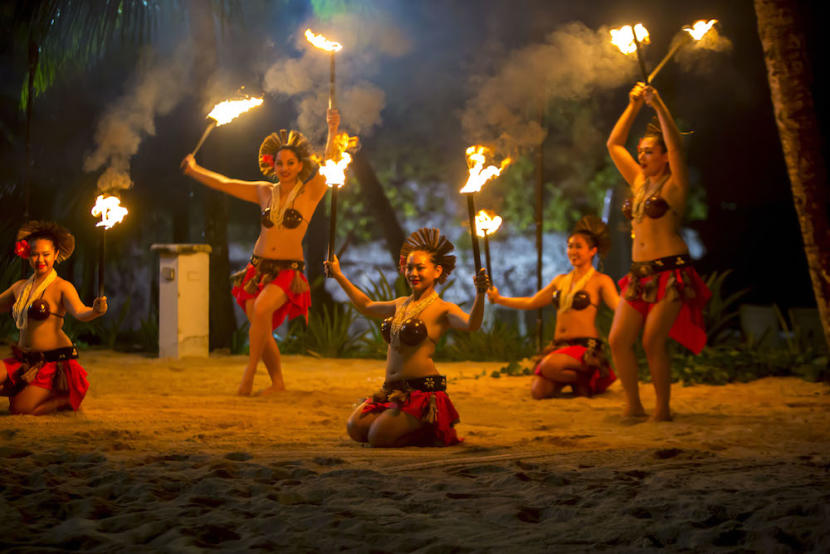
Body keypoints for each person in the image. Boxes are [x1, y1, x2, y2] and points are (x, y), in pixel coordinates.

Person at [181, 108, 340, 396]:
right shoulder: (264, 191)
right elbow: (225, 184)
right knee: (260, 326)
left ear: (300, 164)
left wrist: (332, 130)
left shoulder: (310, 193)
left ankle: (249, 375)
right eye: (280, 163)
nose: (285, 168)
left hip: (287, 270)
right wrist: (194, 170)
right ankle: (277, 382)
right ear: (272, 165)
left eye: (290, 163)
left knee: (264, 310)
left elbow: (330, 162)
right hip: (257, 269)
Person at [324, 228, 489, 447]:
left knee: (378, 437)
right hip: (392, 390)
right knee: (356, 428)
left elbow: (472, 325)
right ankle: (401, 424)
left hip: (422, 394)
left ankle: (428, 428)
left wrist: (480, 294)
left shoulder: (443, 309)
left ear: (437, 271)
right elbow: (366, 305)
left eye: (420, 268)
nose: (413, 273)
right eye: (409, 267)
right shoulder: (400, 303)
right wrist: (338, 275)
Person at [606, 82, 711, 421]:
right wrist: (634, 105)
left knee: (652, 340)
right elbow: (613, 144)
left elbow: (677, 147)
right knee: (618, 339)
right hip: (639, 274)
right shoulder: (638, 182)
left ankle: (662, 408)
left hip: (671, 273)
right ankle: (633, 404)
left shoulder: (674, 185)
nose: (642, 156)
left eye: (650, 151)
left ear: (665, 155)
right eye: (642, 151)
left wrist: (658, 104)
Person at [488, 216, 620, 398]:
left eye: (578, 246)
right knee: (538, 392)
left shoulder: (600, 281)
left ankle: (590, 374)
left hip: (585, 349)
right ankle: (581, 381)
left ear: (592, 251)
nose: (573, 251)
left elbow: (618, 307)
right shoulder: (560, 281)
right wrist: (499, 299)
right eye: (570, 246)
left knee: (549, 365)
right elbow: (532, 302)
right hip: (559, 347)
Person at [0, 221, 107, 415]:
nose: (40, 259)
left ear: (56, 254)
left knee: (19, 408)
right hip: (24, 359)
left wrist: (96, 310)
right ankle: (23, 389)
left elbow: (81, 312)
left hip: (51, 364)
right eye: (34, 254)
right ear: (27, 255)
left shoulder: (61, 287)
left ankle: (62, 400)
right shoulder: (20, 287)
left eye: (46, 254)